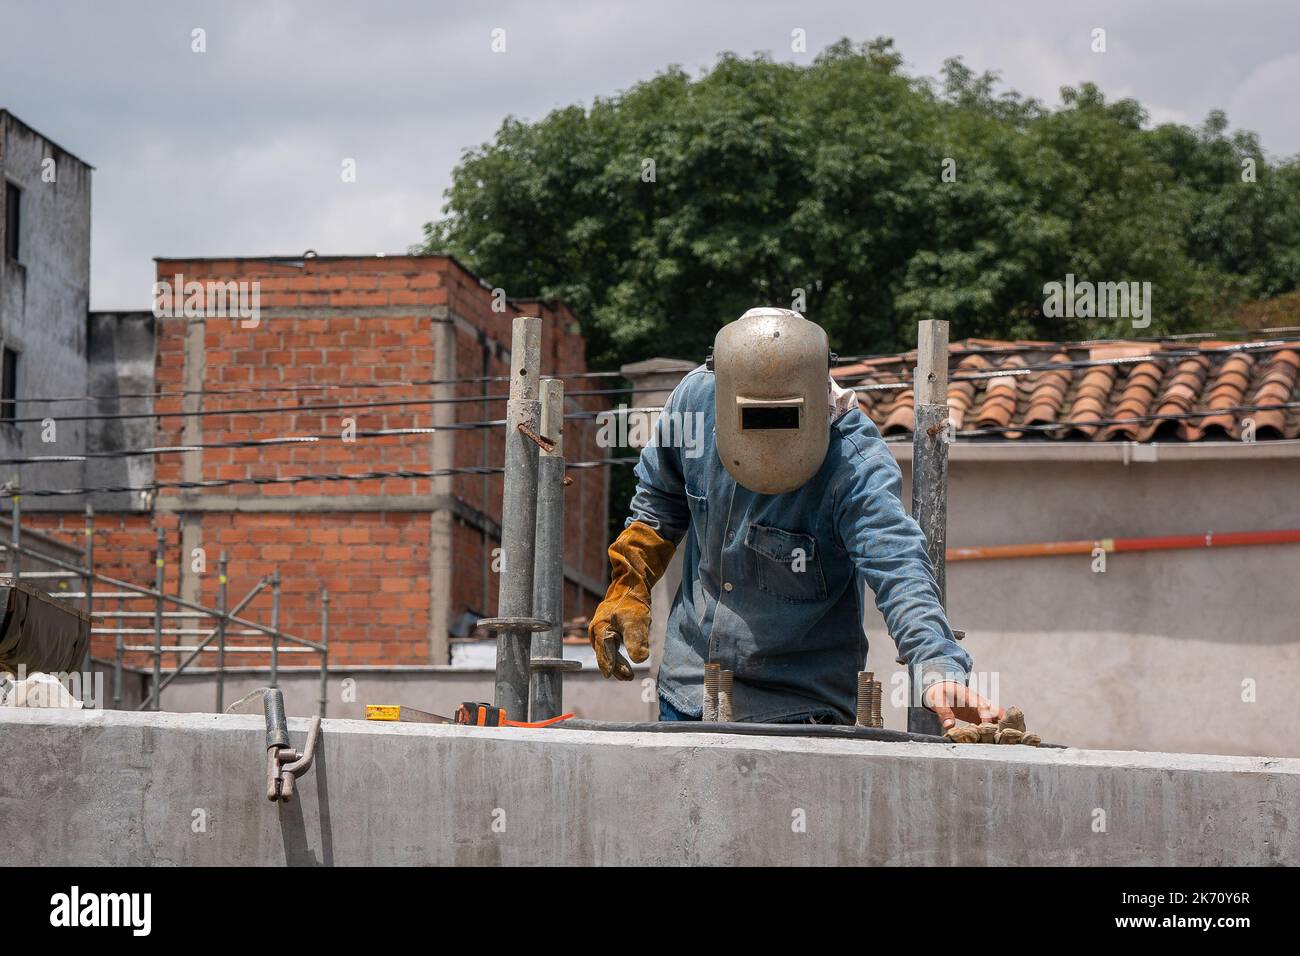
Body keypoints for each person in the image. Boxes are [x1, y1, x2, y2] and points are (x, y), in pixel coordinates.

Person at [588, 307, 1002, 729]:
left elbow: (898, 563)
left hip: (802, 712)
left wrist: (935, 667)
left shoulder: (853, 464)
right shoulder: (694, 405)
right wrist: (629, 582)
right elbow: (660, 500)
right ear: (723, 387)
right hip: (689, 691)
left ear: (818, 388)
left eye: (783, 416)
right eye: (752, 417)